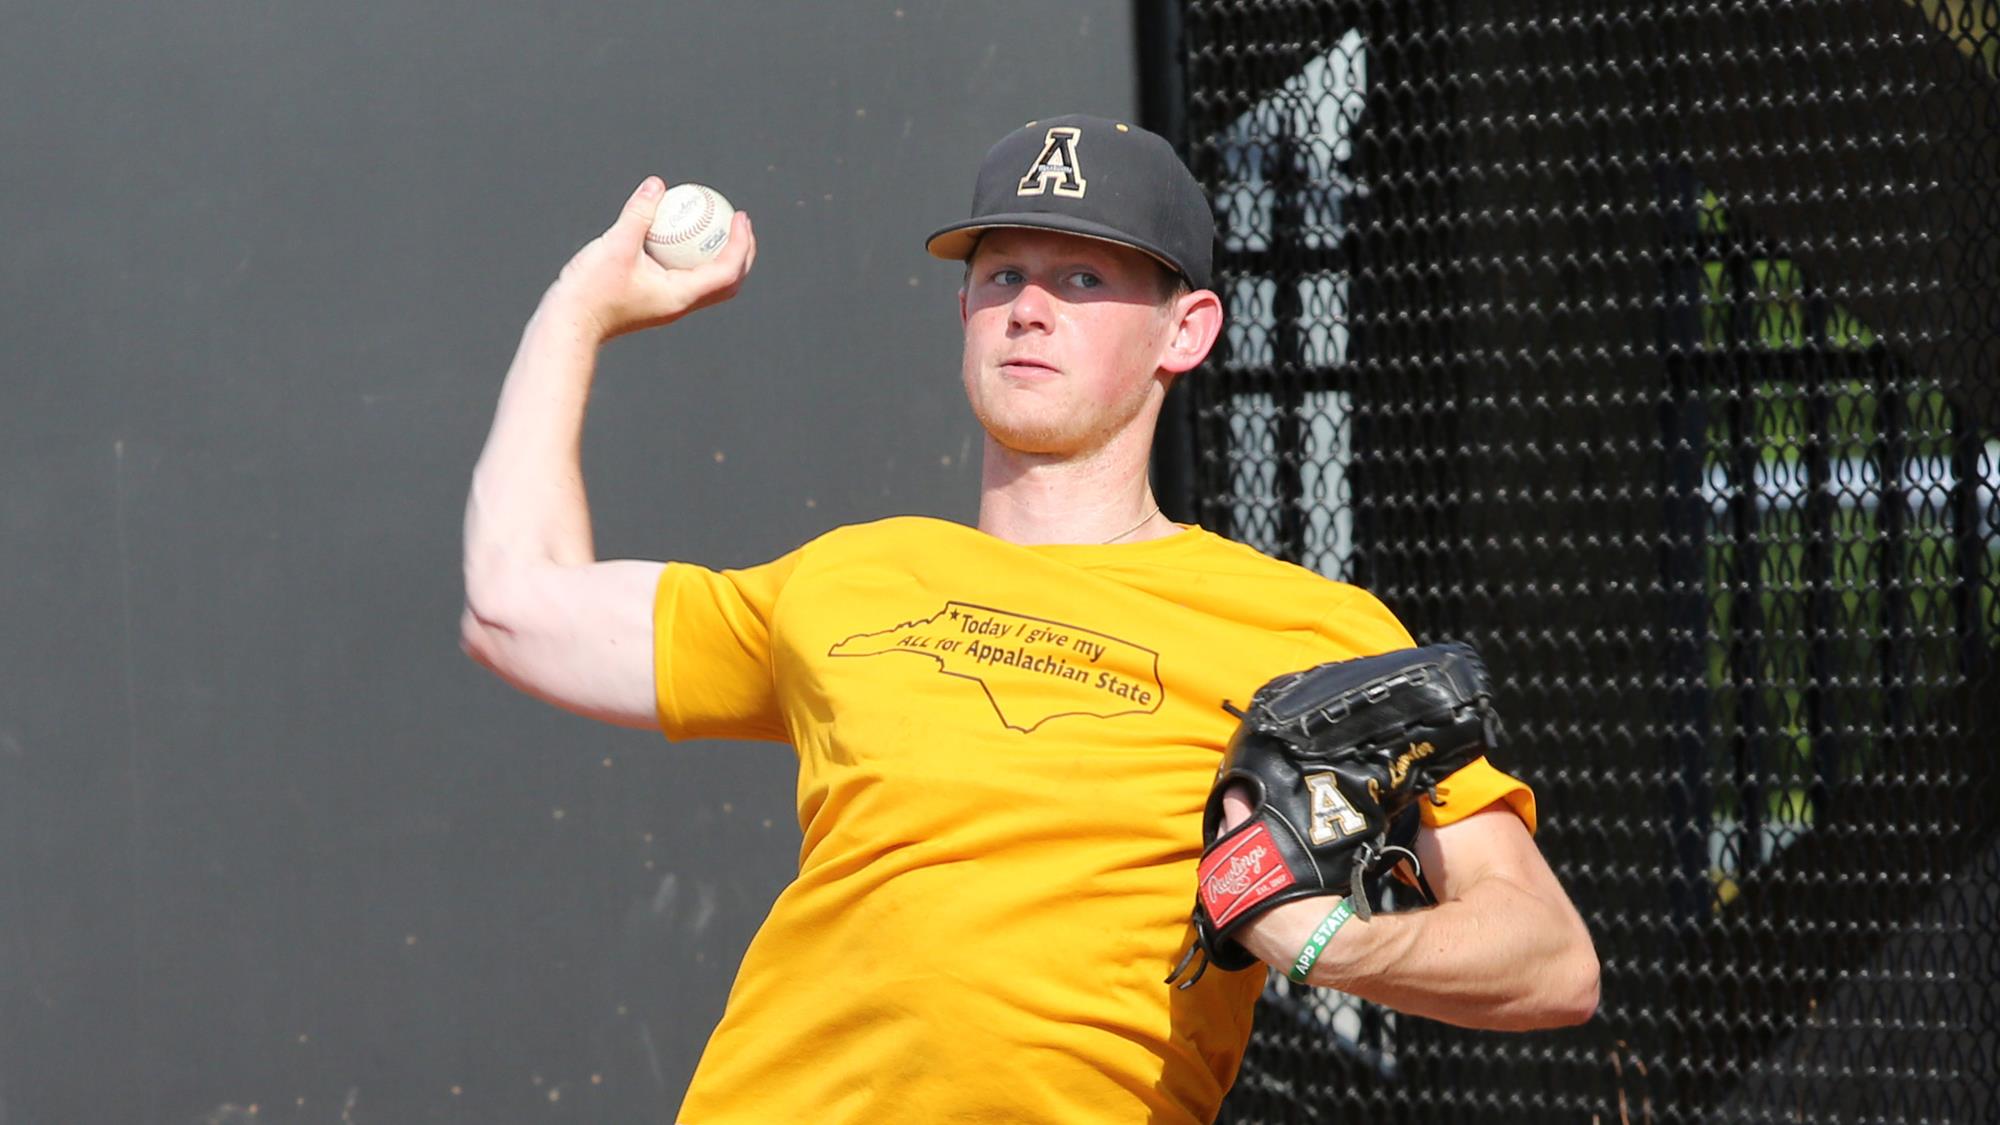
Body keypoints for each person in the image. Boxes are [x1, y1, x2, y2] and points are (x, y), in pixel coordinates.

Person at [460, 114, 1599, 1125]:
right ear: (962, 309)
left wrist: (1318, 938)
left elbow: (1548, 959)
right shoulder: (852, 575)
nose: (1029, 310)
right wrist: (577, 313)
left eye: (1083, 280)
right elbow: (513, 607)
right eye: (1000, 275)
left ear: (1185, 331)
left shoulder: (1309, 630)